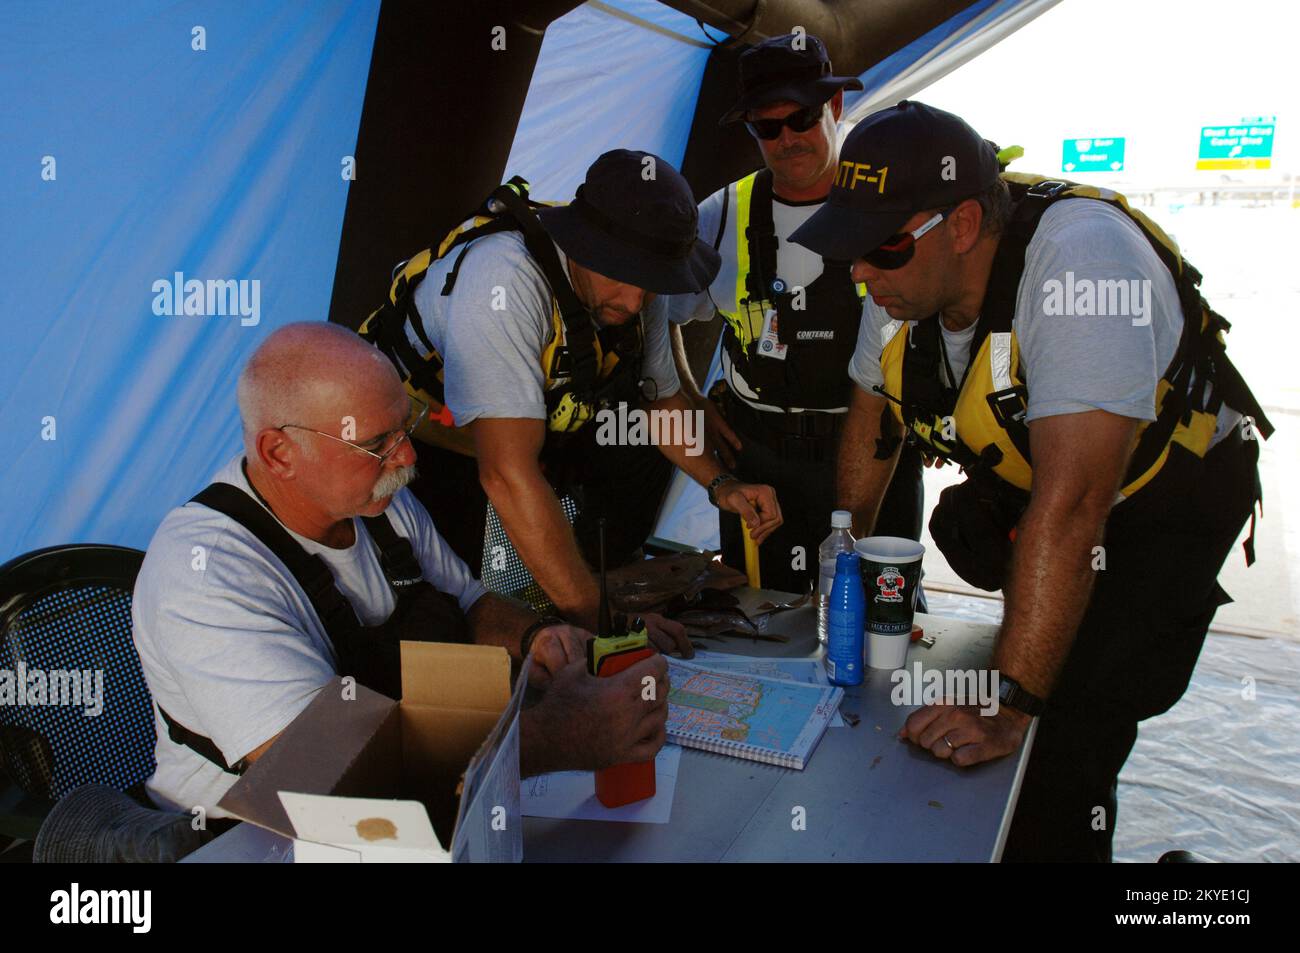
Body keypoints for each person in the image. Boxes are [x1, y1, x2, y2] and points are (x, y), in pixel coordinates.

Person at [790, 100, 1270, 861]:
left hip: (1161, 499)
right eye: (850, 244)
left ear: (965, 225)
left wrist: (1010, 706)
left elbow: (1075, 508)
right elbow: (873, 420)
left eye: (879, 247)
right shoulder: (896, 280)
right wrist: (836, 565)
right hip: (1050, 478)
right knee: (1001, 588)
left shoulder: (1083, 270)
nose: (859, 271)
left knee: (1072, 724)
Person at [131, 322, 669, 823]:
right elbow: (319, 770)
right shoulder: (205, 572)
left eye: (404, 426)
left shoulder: (378, 500)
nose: (406, 455)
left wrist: (535, 638)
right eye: (374, 444)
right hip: (245, 834)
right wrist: (566, 735)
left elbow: (467, 602)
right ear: (279, 452)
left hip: (410, 806)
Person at [361, 149, 782, 649]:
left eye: (649, 287)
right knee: (455, 611)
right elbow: (506, 474)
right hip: (419, 448)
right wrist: (600, 621)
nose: (634, 303)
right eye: (622, 278)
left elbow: (660, 401)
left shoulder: (641, 282)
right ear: (583, 245)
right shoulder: (504, 281)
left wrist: (721, 483)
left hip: (529, 428)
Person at [661, 33, 926, 594]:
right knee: (763, 619)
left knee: (882, 618)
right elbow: (656, 313)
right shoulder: (721, 214)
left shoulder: (886, 203)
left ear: (834, 107)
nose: (787, 138)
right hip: (760, 457)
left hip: (876, 450)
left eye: (801, 117)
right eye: (767, 126)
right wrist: (692, 395)